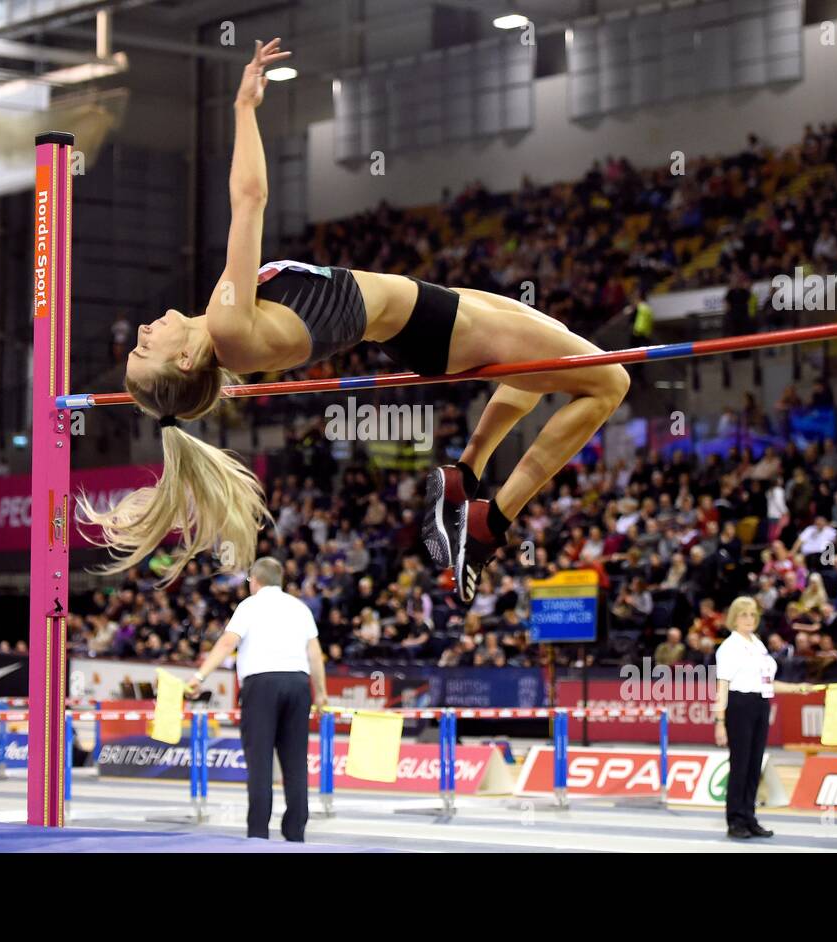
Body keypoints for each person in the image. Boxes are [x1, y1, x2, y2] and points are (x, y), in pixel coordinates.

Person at [80, 38, 630, 606]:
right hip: (436, 327)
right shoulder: (226, 326)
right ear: (187, 360)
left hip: (429, 310)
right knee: (611, 381)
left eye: (138, 344)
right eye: (146, 350)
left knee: (543, 365)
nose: (142, 333)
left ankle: (465, 474)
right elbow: (249, 197)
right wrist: (244, 109)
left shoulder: (225, 320)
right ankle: (492, 523)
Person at [184, 557, 327, 842]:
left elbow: (227, 643)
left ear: (255, 581)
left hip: (262, 685)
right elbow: (314, 652)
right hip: (298, 685)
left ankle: (259, 835)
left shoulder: (249, 606)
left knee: (260, 763)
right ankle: (295, 833)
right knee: (296, 763)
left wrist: (200, 677)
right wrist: (320, 692)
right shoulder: (300, 607)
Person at [713, 596, 811, 839]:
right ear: (734, 618)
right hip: (739, 705)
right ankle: (735, 820)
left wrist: (797, 688)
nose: (749, 619)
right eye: (744, 615)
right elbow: (722, 686)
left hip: (760, 704)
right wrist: (720, 722)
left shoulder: (758, 645)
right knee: (740, 765)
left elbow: (767, 683)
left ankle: (749, 816)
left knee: (755, 765)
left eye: (752, 615)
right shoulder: (729, 647)